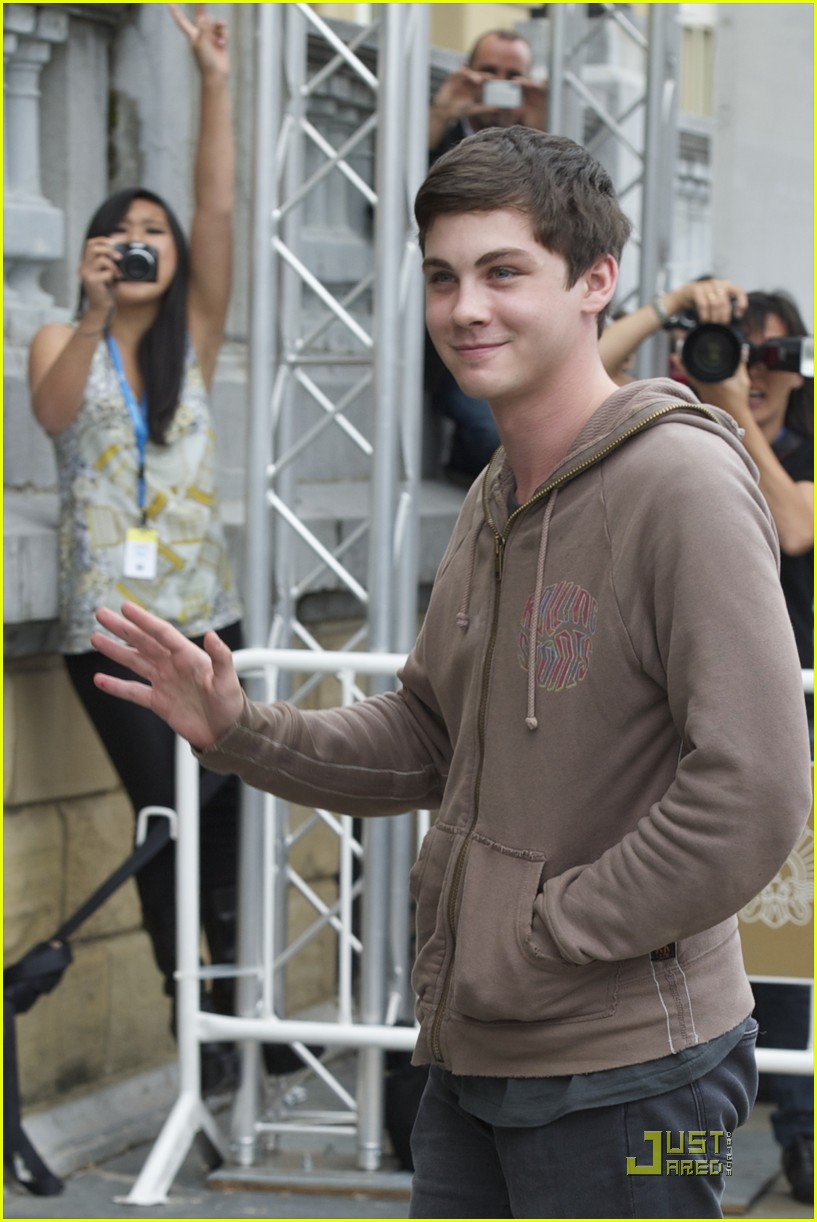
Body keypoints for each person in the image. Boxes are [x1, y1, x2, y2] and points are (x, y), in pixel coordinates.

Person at [89, 128, 811, 1219]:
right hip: (475, 1060)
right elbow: (429, 733)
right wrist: (239, 726)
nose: (465, 307)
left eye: (504, 271)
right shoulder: (496, 490)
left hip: (634, 1086)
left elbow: (753, 793)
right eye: (442, 276)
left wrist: (548, 931)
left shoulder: (681, 485)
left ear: (594, 283)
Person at [28, 4, 243, 1090]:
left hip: (206, 617)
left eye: (158, 234)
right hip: (113, 628)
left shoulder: (192, 340)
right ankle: (192, 1023)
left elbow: (217, 201)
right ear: (102, 248)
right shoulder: (61, 338)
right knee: (168, 814)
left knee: (231, 813)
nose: (149, 243)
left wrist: (212, 79)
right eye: (128, 233)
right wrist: (88, 297)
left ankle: (242, 1009)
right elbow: (57, 415)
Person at [682, 288, 814, 1207]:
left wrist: (734, 407)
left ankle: (803, 1155)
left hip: (791, 743)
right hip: (690, 739)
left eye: (773, 359)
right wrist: (662, 316)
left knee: (789, 964)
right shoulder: (673, 434)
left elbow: (794, 528)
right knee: (692, 961)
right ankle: (685, 1162)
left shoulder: (794, 446)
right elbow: (565, 383)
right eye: (737, 353)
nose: (753, 373)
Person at [426, 30, 549, 482]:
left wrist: (540, 132)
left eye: (513, 76)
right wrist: (442, 112)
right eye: (488, 73)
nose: (499, 85)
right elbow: (389, 202)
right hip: (450, 348)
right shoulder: (438, 138)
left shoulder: (545, 153)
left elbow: (563, 229)